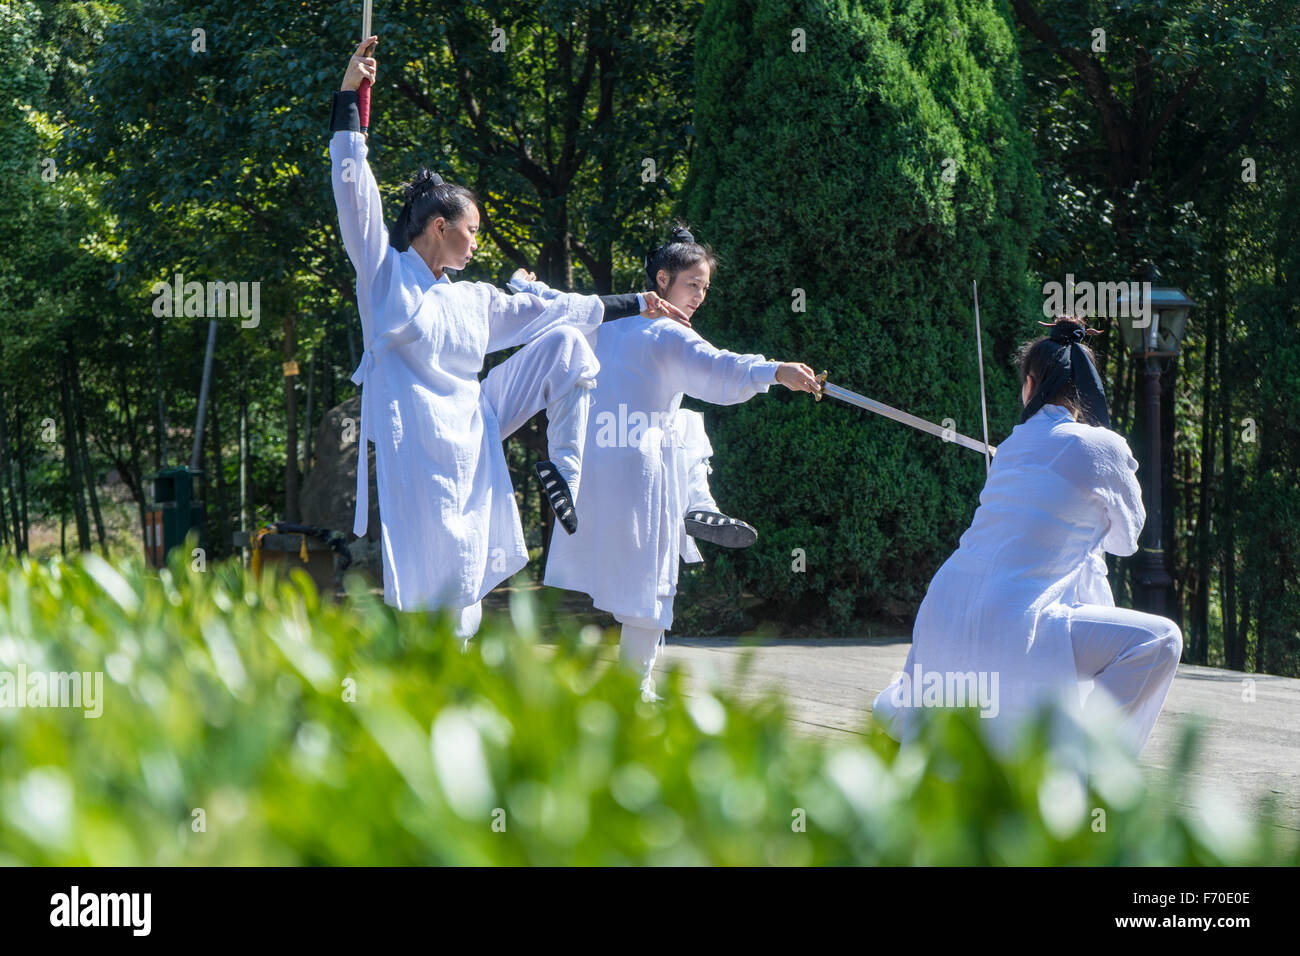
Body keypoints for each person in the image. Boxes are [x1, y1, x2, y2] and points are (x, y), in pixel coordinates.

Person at [329, 38, 687, 639]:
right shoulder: (385, 280)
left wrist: (636, 302)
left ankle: (564, 477)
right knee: (447, 596)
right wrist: (352, 99)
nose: (477, 242)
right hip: (419, 448)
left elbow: (553, 310)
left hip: (477, 422)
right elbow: (354, 191)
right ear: (439, 227)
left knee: (569, 344)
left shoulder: (473, 299)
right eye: (471, 231)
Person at [871, 317, 1183, 757]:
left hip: (941, 610)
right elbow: (1127, 540)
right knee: (1159, 641)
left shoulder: (1011, 447)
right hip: (1017, 623)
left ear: (1030, 385)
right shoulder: (1103, 446)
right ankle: (1093, 768)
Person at [535, 225, 820, 701]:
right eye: (693, 284)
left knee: (688, 423)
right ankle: (635, 688)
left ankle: (698, 500)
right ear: (662, 279)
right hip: (642, 470)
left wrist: (528, 286)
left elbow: (557, 307)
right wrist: (775, 371)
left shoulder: (605, 320)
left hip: (596, 461)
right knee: (654, 580)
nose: (701, 297)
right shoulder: (667, 333)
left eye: (706, 288)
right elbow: (721, 368)